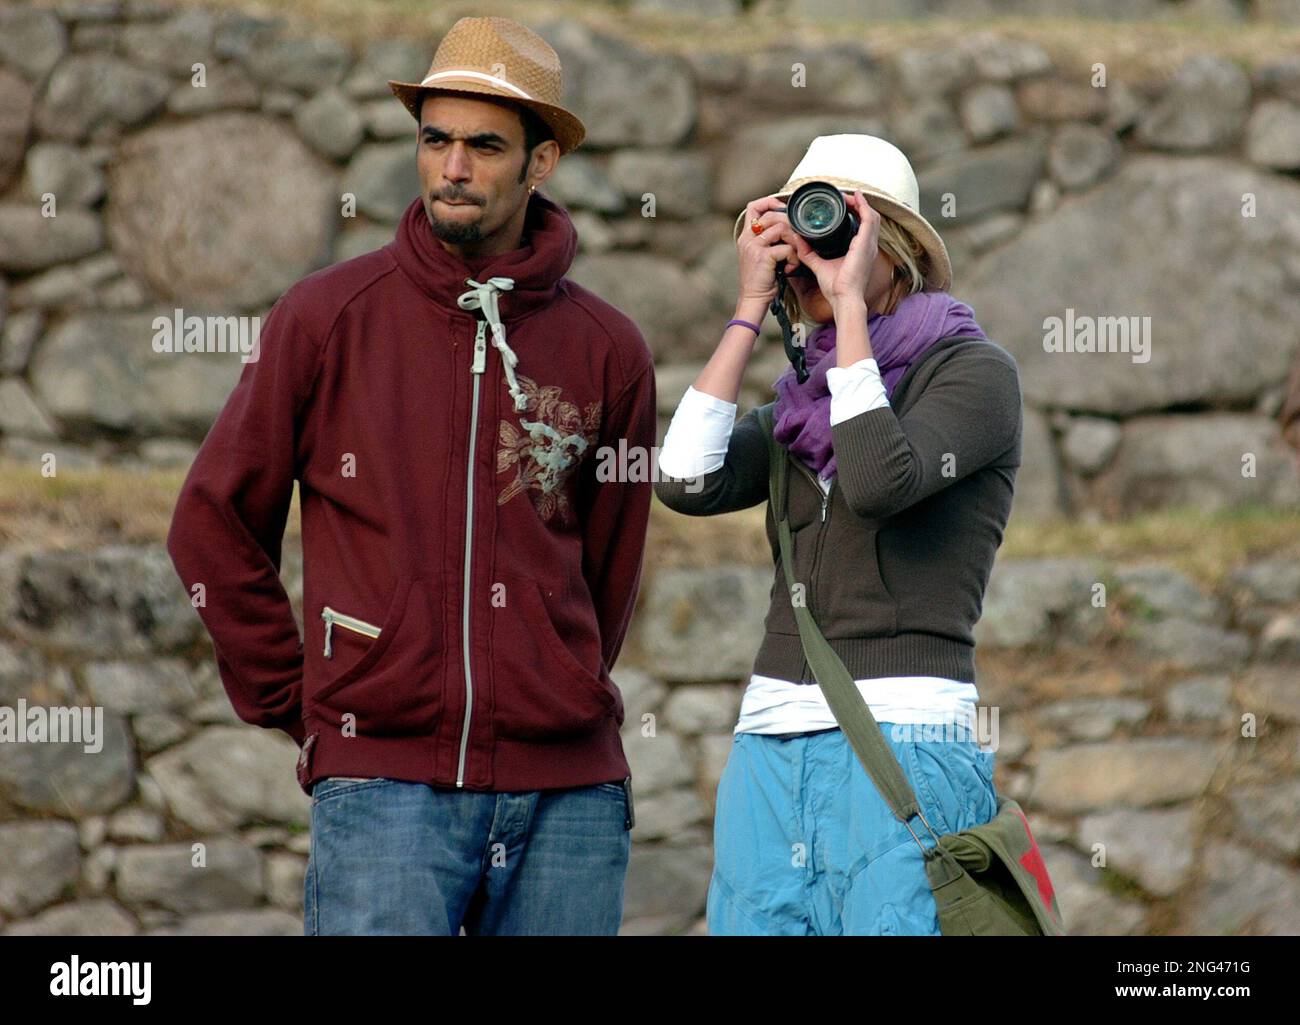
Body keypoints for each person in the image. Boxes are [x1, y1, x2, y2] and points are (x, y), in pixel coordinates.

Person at [166, 16, 656, 935]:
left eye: (483, 145)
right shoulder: (325, 317)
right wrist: (305, 698)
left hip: (570, 795)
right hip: (383, 787)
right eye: (435, 141)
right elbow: (211, 521)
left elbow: (611, 566)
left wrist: (556, 675)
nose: (453, 168)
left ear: (540, 162)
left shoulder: (608, 348)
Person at [654, 134, 1021, 935]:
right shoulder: (800, 405)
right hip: (770, 743)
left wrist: (849, 306)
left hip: (904, 737)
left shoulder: (972, 375)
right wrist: (750, 307)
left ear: (891, 245)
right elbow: (682, 479)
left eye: (840, 232)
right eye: (801, 238)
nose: (817, 257)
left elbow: (878, 480)